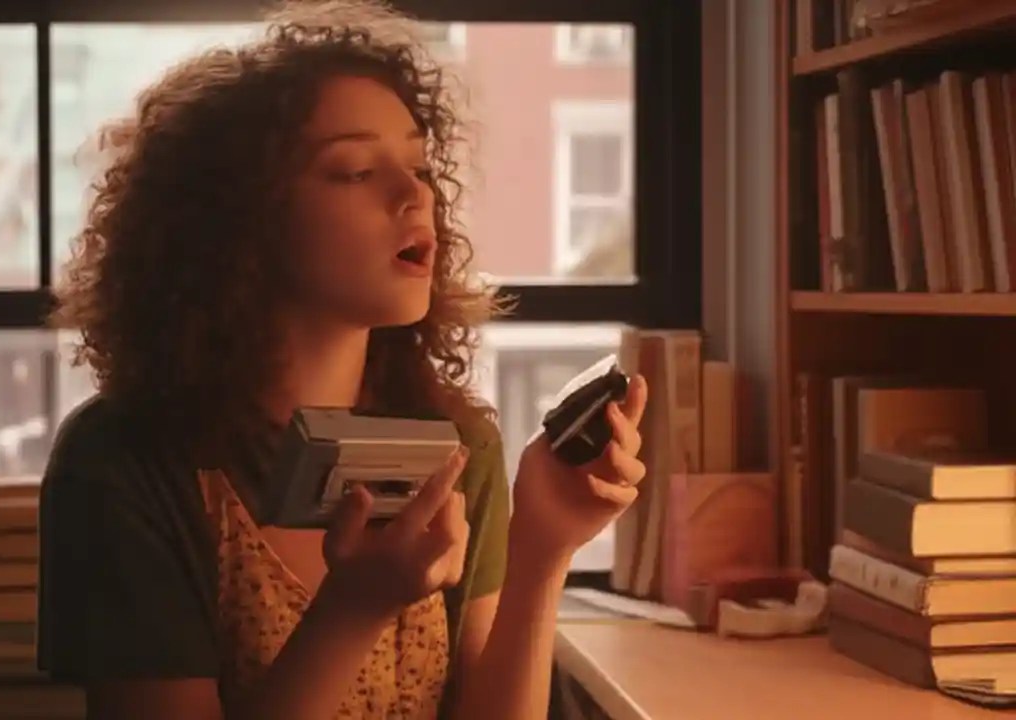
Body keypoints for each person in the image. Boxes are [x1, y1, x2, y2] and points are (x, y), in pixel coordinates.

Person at [38, 1, 648, 718]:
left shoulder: (458, 448)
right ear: (242, 221)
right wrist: (354, 610)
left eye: (419, 165)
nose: (414, 193)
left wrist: (544, 547)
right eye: (356, 171)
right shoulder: (125, 463)